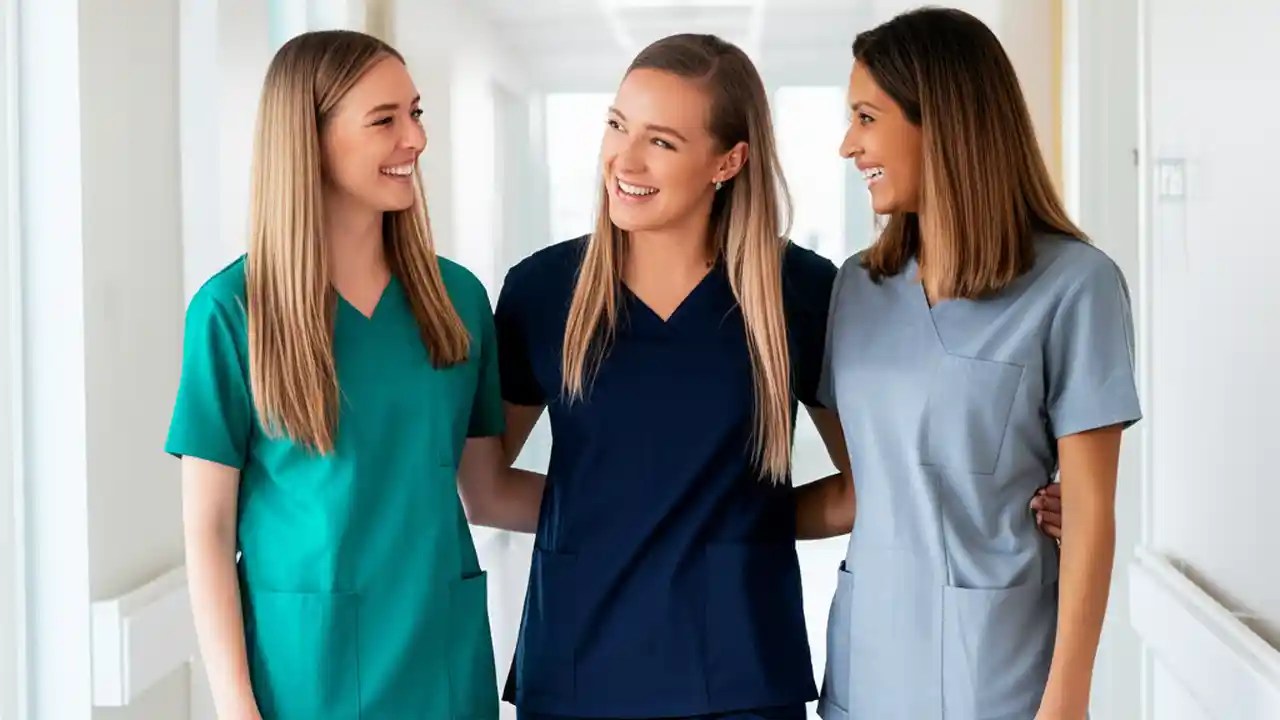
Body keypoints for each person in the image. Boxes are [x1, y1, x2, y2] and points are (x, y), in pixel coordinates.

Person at [455, 33, 1065, 720]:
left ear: (728, 161)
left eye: (661, 141)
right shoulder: (543, 290)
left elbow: (874, 479)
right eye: (618, 126)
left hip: (740, 672)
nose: (624, 160)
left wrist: (1017, 495)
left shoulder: (798, 292)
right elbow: (486, 492)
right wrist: (626, 512)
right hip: (578, 666)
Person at [166, 30, 502, 719]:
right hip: (302, 672)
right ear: (308, 138)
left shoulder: (458, 300)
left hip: (440, 655)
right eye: (385, 120)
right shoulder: (232, 311)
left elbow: (486, 488)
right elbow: (208, 526)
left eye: (416, 113)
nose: (414, 138)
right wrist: (235, 708)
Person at [817, 9, 1142, 720]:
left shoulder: (1075, 285)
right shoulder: (855, 289)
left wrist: (1067, 702)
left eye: (866, 117)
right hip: (865, 663)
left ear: (939, 117)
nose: (849, 144)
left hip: (1002, 673)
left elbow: (1089, 516)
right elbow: (860, 487)